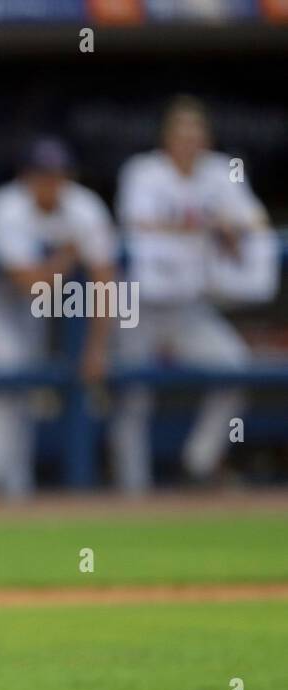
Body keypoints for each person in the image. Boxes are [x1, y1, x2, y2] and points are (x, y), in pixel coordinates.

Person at [113, 96, 273, 492]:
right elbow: (137, 225)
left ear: (206, 138)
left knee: (234, 367)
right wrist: (207, 228)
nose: (189, 140)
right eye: (181, 132)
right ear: (166, 138)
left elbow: (257, 218)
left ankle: (198, 463)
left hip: (188, 306)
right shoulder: (144, 171)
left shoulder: (222, 171)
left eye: (196, 132)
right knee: (133, 393)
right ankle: (130, 489)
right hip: (138, 303)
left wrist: (231, 224)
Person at [0, 136, 118, 497]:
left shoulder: (84, 207)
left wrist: (96, 348)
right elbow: (32, 285)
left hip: (31, 307)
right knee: (4, 364)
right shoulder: (6, 207)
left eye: (58, 174)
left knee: (26, 381)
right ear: (26, 176)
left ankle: (14, 484)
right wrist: (67, 257)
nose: (51, 182)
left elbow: (105, 280)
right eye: (42, 175)